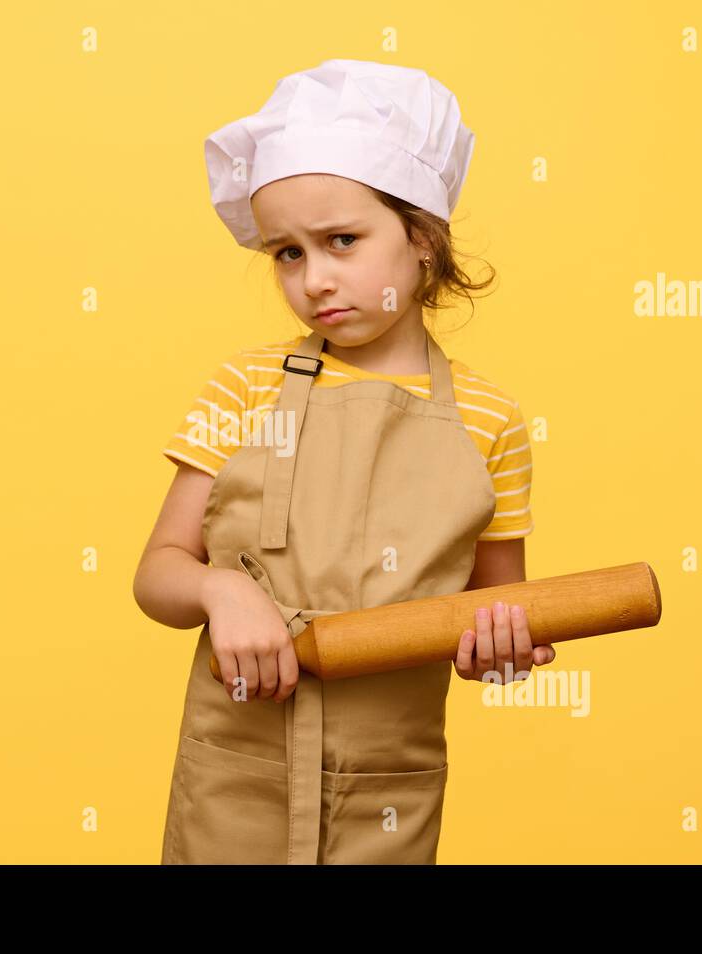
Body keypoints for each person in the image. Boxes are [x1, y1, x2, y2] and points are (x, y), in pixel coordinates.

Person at [132, 59, 555, 865]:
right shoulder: (245, 385)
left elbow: (501, 616)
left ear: (423, 240)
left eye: (341, 241)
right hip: (235, 776)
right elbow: (157, 575)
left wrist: (501, 653)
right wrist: (220, 588)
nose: (314, 279)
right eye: (287, 254)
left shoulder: (490, 420)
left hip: (386, 791)